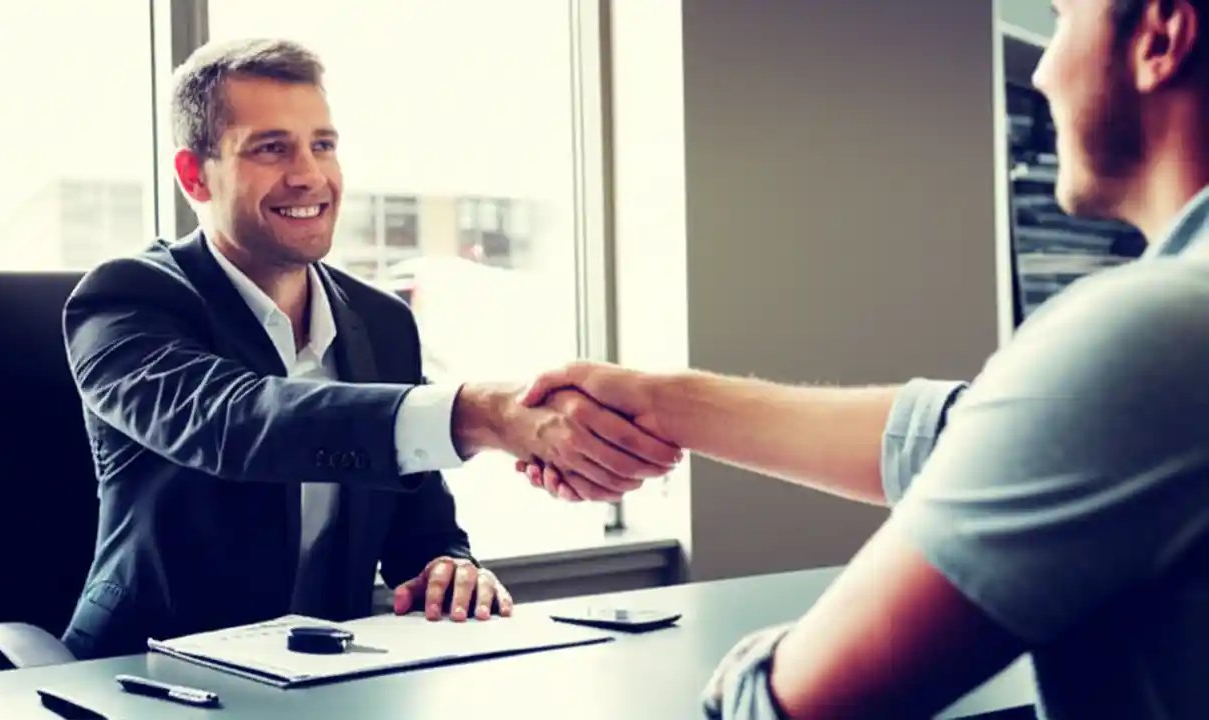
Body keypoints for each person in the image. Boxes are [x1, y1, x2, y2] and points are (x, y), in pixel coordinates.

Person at [521, 0, 1209, 716]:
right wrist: (663, 403)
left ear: (1161, 35)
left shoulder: (1149, 334)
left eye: (1063, 18)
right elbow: (984, 432)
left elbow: (780, 706)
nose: (1041, 72)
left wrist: (753, 664)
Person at [59, 38, 680, 660]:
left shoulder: (383, 322)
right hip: (142, 673)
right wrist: (482, 414)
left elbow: (421, 525)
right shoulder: (125, 298)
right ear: (195, 175)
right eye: (271, 148)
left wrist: (448, 567)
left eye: (323, 145)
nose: (309, 175)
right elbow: (233, 421)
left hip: (327, 678)